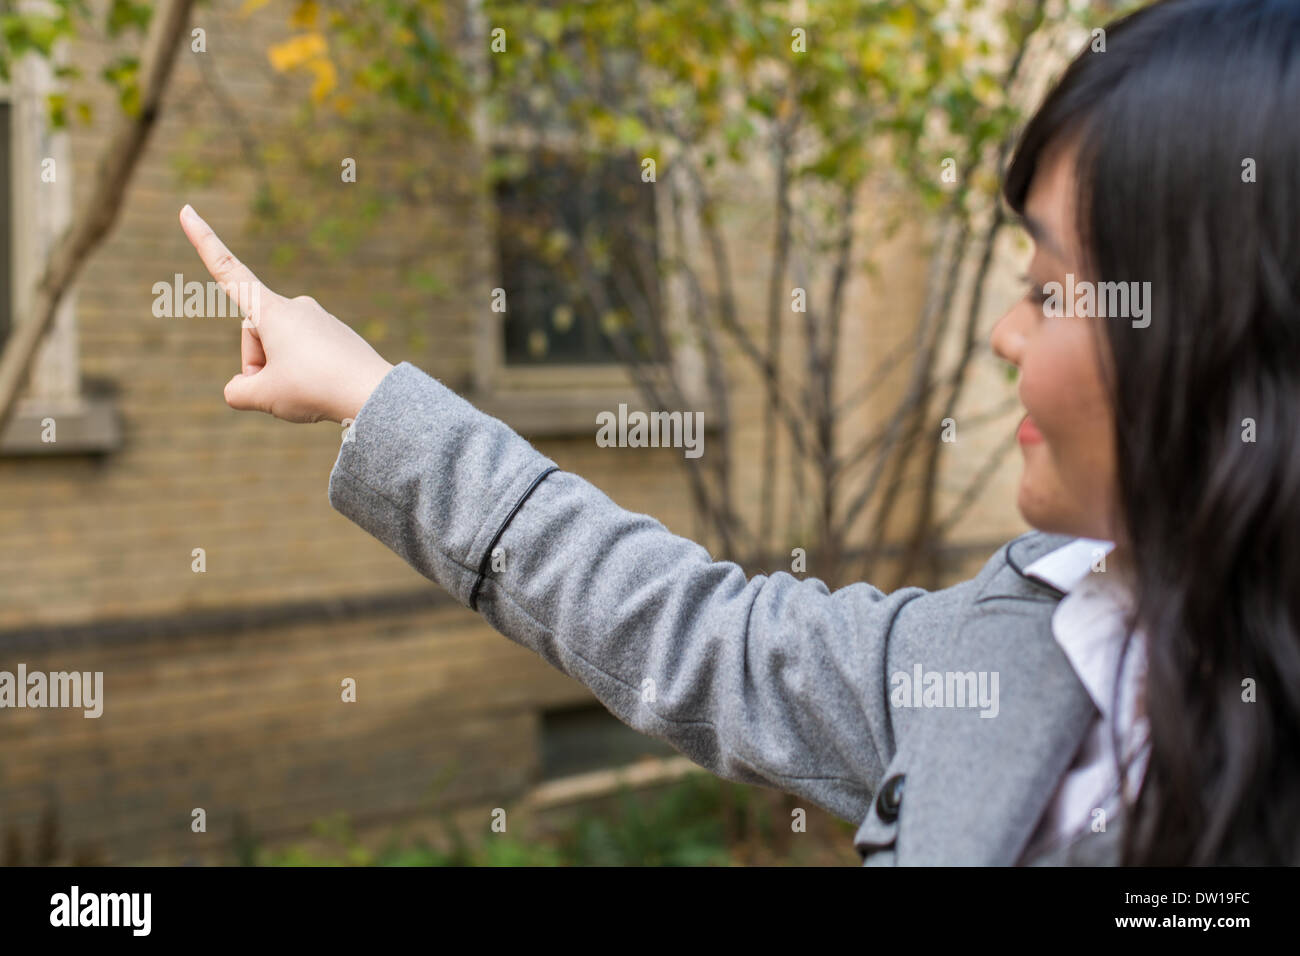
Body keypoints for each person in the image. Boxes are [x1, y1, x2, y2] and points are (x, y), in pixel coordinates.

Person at [177, 0, 1300, 864]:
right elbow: (701, 635)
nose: (1003, 337)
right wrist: (373, 398)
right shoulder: (1014, 645)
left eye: (1051, 292)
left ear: (1219, 334)